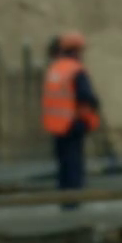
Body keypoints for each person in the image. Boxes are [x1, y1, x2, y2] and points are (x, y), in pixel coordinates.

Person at [42, 31, 101, 206]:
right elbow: (85, 96)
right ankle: (74, 203)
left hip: (56, 125)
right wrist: (94, 106)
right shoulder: (76, 70)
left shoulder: (55, 69)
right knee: (74, 164)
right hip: (73, 124)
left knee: (63, 165)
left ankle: (64, 200)